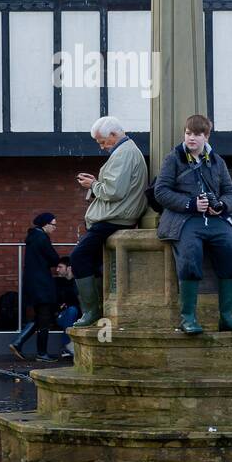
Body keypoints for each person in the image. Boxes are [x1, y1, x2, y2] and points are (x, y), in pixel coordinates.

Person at [154, 114, 232, 336]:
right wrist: (190, 204)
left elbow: (231, 192)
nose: (191, 138)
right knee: (189, 254)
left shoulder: (217, 161)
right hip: (185, 218)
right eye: (188, 133)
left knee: (231, 252)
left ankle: (227, 317)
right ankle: (188, 318)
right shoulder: (173, 159)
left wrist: (222, 205)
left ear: (206, 136)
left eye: (197, 134)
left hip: (215, 219)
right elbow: (161, 191)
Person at [69, 116, 149, 326]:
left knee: (78, 257)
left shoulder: (123, 154)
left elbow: (114, 191)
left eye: (103, 141)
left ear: (114, 135)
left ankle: (91, 312)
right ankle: (97, 310)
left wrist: (93, 184)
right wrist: (96, 184)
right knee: (93, 263)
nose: (102, 146)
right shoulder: (127, 151)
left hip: (114, 220)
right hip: (117, 218)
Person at [10, 212, 65, 363]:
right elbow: (54, 258)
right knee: (45, 318)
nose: (55, 227)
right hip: (42, 284)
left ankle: (19, 343)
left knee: (40, 317)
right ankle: (41, 352)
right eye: (53, 224)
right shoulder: (42, 238)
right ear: (45, 224)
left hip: (34, 284)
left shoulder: (34, 237)